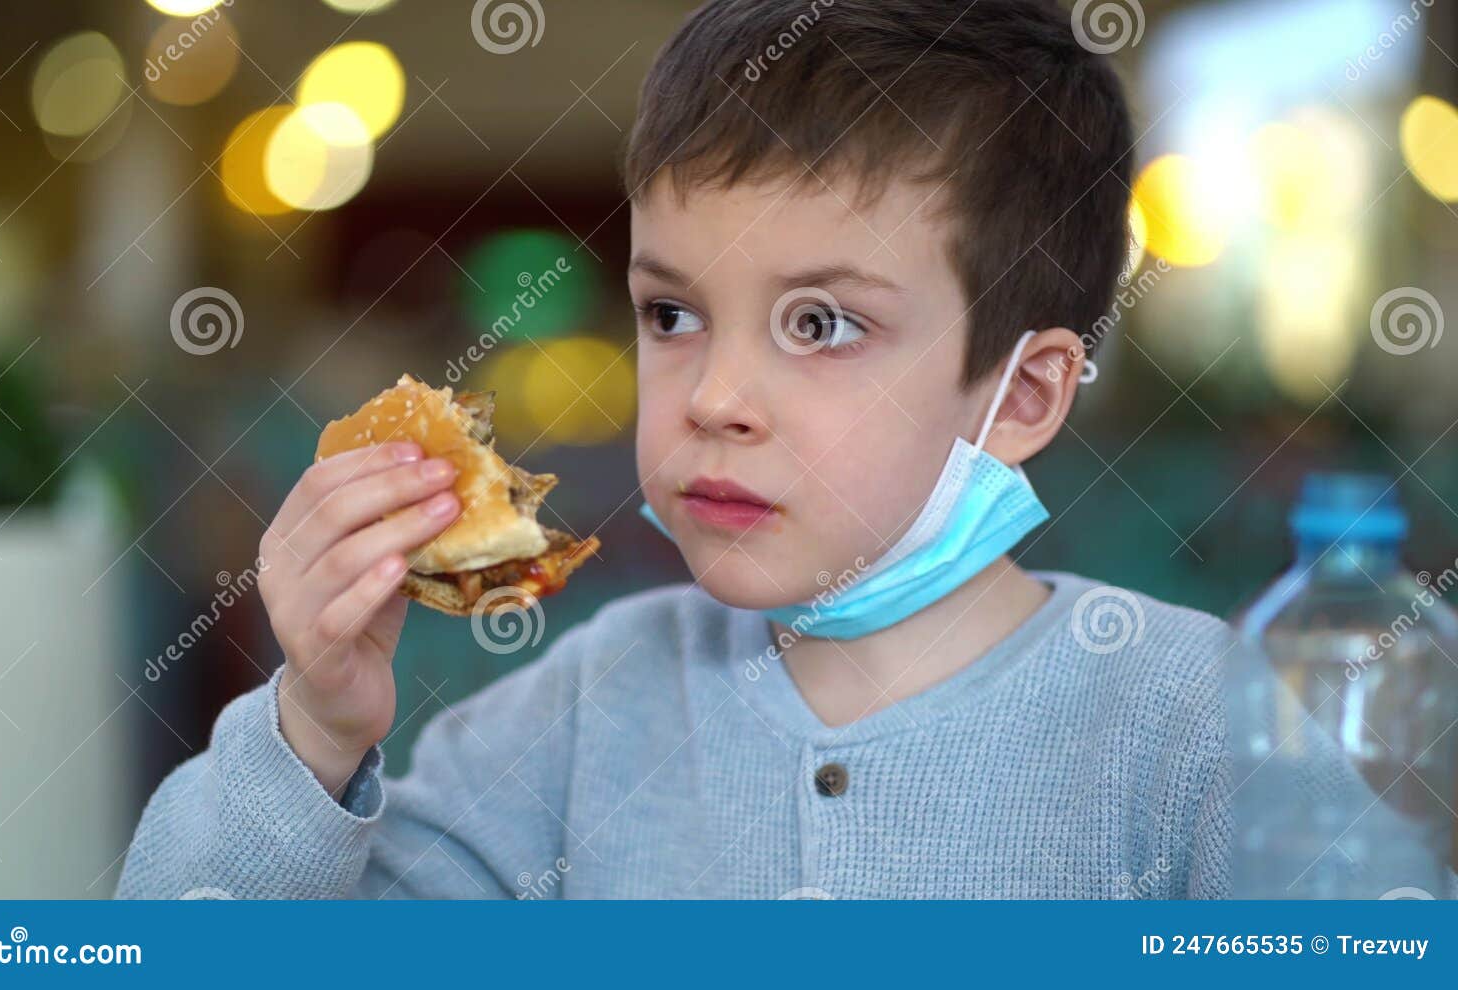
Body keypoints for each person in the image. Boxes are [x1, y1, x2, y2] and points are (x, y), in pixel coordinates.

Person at [118, 0, 1238, 899]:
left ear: (1023, 392)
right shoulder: (579, 716)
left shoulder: (1203, 725)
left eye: (820, 324)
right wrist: (314, 728)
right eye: (672, 315)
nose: (714, 398)